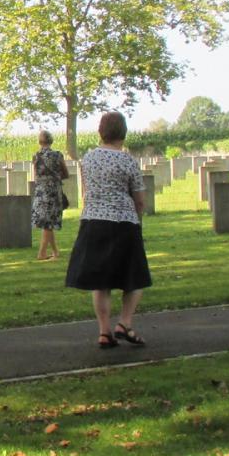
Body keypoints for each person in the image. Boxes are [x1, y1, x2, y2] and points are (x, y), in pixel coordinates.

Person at [64, 111, 151, 349]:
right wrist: (137, 219)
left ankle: (104, 331)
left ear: (101, 131)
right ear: (123, 132)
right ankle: (124, 322)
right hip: (123, 222)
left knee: (100, 281)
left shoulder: (88, 159)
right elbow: (140, 199)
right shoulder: (128, 161)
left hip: (93, 222)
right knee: (134, 278)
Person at [31, 130, 69, 260]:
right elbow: (66, 173)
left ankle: (54, 252)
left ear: (40, 142)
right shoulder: (57, 155)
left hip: (41, 192)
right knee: (49, 223)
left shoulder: (36, 156)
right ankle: (42, 253)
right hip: (53, 192)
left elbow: (35, 176)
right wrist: (55, 178)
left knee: (46, 222)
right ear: (51, 141)